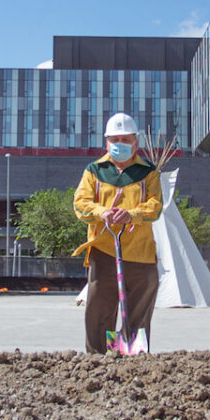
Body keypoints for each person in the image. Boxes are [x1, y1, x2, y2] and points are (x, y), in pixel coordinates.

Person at [71, 113, 165, 354]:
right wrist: (102, 212)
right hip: (104, 250)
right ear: (107, 143)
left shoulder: (148, 173)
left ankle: (130, 358)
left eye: (125, 139)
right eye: (115, 139)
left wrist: (131, 214)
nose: (119, 143)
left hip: (140, 253)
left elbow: (155, 207)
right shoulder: (94, 171)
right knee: (100, 310)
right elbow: (81, 203)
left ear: (135, 143)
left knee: (137, 313)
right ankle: (99, 360)